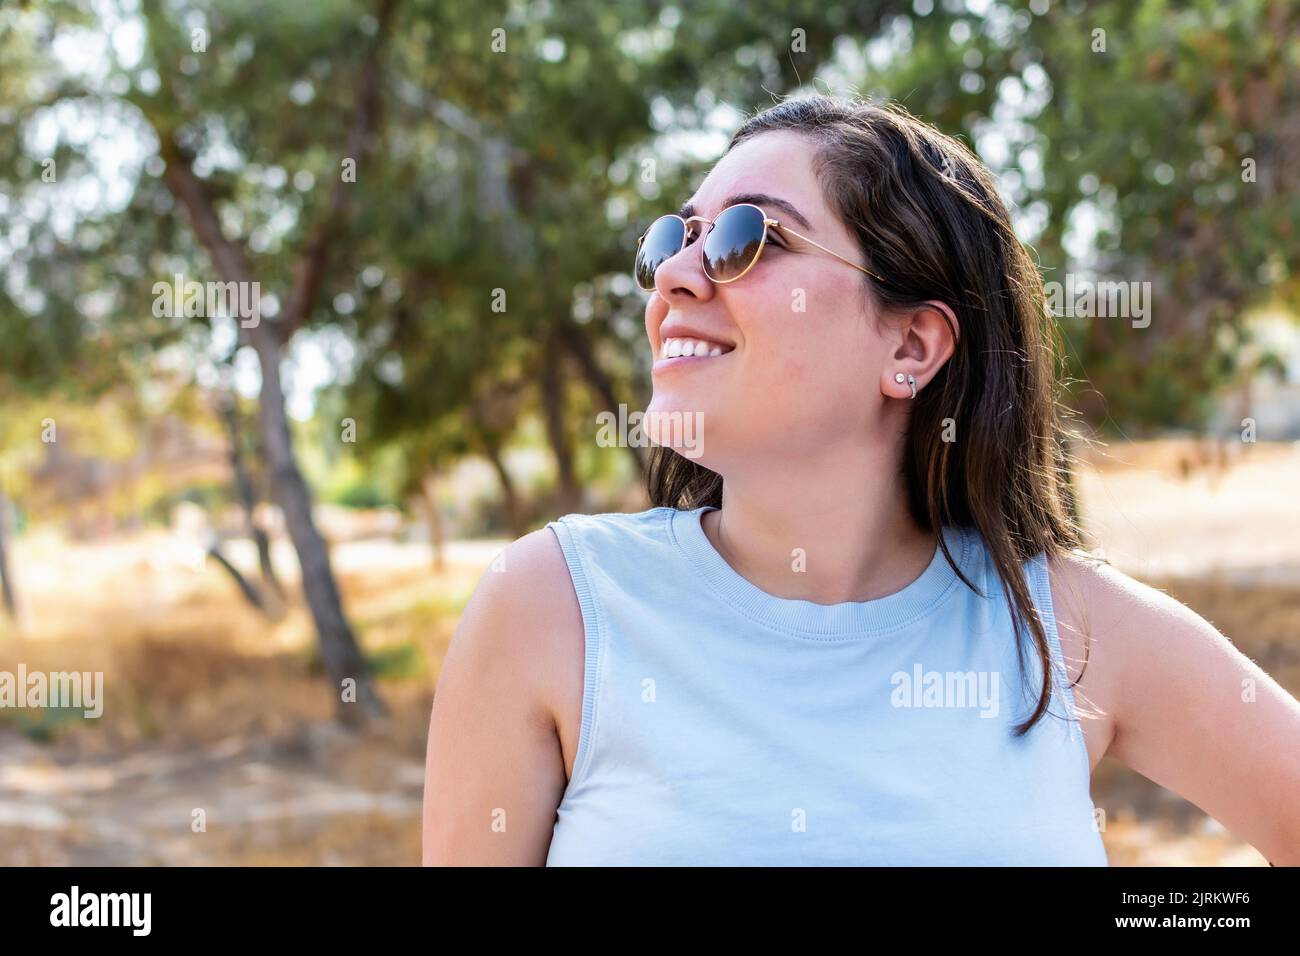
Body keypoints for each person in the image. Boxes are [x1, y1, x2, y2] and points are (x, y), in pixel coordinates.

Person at [422, 95, 1300, 865]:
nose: (676, 276)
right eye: (673, 238)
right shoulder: (553, 607)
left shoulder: (1067, 624)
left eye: (745, 238)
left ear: (910, 347)